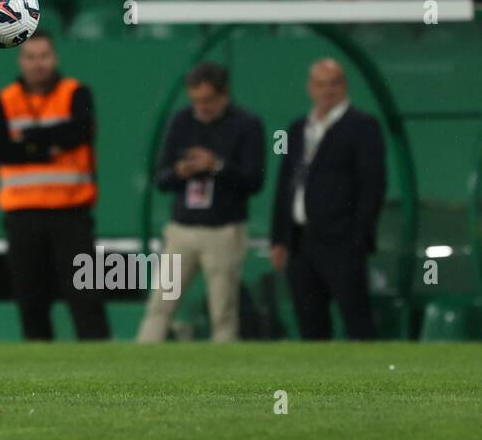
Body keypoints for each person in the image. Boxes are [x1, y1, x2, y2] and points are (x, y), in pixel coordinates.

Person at [0, 31, 108, 341]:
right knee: (31, 299)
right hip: (22, 217)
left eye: (44, 56)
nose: (37, 64)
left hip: (71, 215)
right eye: (30, 57)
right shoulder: (4, 100)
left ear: (55, 58)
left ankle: (102, 368)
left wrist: (29, 141)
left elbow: (80, 130)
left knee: (86, 295)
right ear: (20, 60)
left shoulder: (77, 93)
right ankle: (38, 375)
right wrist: (49, 146)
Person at [137, 63, 265, 343]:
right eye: (196, 101)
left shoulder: (246, 124)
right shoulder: (182, 121)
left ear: (224, 95)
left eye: (207, 101)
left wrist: (217, 166)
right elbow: (162, 178)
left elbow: (254, 180)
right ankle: (139, 365)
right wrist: (180, 171)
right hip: (182, 229)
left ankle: (224, 375)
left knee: (223, 311)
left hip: (223, 230)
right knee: (160, 304)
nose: (202, 108)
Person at [270, 59, 386, 340]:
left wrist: (358, 236)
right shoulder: (298, 128)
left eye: (334, 84)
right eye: (321, 84)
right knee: (310, 323)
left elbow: (374, 185)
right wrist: (280, 238)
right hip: (301, 241)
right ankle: (318, 383)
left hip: (342, 239)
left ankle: (370, 382)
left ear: (344, 86)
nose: (327, 91)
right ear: (310, 87)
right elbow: (286, 184)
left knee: (356, 318)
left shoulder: (362, 126)